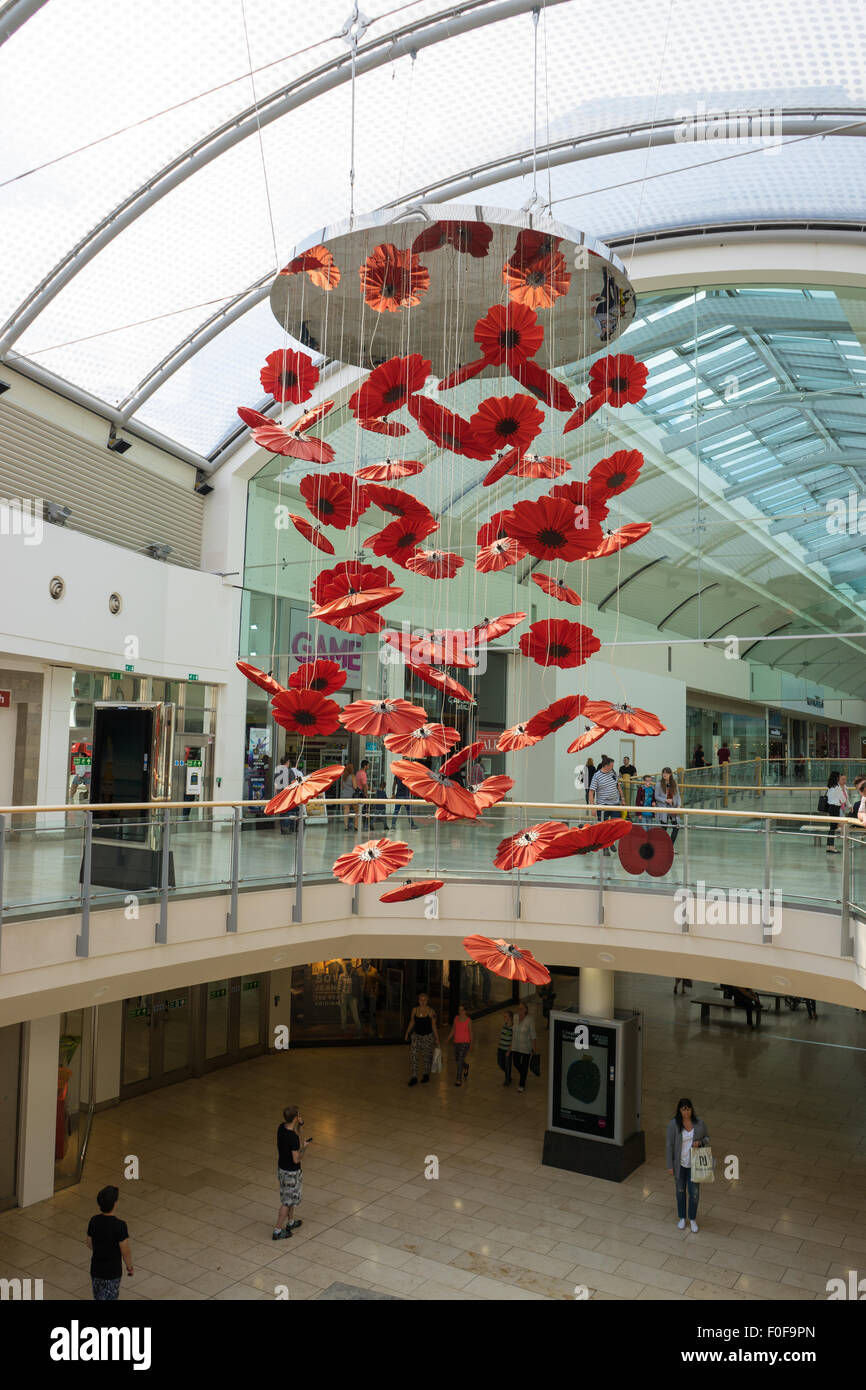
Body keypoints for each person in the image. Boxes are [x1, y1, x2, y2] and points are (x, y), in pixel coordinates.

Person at [665, 1098, 710, 1233]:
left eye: (688, 1109)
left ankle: (692, 1219)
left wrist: (699, 1143)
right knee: (680, 1191)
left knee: (694, 1193)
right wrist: (669, 1165)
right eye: (684, 1109)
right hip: (680, 1165)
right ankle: (682, 1218)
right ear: (679, 1110)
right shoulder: (673, 1125)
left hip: (694, 1164)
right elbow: (669, 1145)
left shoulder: (700, 1123)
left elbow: (707, 1138)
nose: (686, 1112)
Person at [86, 1185, 133, 1299]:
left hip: (96, 1269)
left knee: (98, 1296)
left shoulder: (94, 1220)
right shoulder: (120, 1225)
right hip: (112, 1271)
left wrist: (100, 1249)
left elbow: (88, 1242)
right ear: (115, 1203)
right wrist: (129, 1267)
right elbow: (125, 1251)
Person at [273, 1105, 310, 1239]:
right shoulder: (292, 1138)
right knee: (287, 1202)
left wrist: (300, 1124)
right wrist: (304, 1148)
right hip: (291, 1173)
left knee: (291, 1197)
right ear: (295, 1117)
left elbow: (295, 1134)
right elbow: (296, 1159)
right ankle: (277, 1231)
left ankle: (291, 1222)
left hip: (282, 1168)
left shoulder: (281, 1127)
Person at [588, 755, 623, 852]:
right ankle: (605, 847)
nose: (613, 767)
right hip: (603, 805)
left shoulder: (612, 773)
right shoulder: (597, 776)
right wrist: (593, 807)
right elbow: (591, 792)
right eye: (612, 765)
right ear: (606, 766)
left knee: (615, 825)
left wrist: (622, 798)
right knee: (604, 827)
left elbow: (618, 786)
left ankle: (611, 842)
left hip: (615, 804)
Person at [404, 991, 439, 1086]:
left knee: (426, 1057)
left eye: (424, 1000)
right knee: (413, 1056)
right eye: (420, 1000)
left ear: (427, 1001)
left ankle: (426, 1074)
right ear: (418, 1001)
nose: (422, 1001)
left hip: (427, 1037)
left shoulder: (431, 1012)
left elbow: (434, 1026)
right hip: (416, 1036)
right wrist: (407, 1033)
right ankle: (414, 1077)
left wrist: (437, 1039)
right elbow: (412, 1022)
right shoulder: (414, 1010)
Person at [507, 1001, 537, 1092]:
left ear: (525, 1010)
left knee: (524, 1066)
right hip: (516, 1046)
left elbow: (533, 1035)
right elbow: (512, 1032)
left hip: (526, 1047)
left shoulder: (530, 1019)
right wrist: (510, 1046)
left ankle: (521, 1084)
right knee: (516, 1063)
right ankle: (523, 1074)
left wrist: (534, 1048)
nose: (519, 1010)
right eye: (518, 1008)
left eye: (521, 1008)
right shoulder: (515, 1017)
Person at [447, 1002, 472, 1086]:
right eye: (459, 1010)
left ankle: (458, 1079)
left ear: (465, 1011)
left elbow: (471, 1033)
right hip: (456, 1042)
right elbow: (453, 1029)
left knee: (460, 1060)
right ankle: (466, 1066)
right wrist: (449, 1038)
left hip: (465, 1043)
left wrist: (472, 1044)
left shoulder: (468, 1021)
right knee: (458, 1060)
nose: (460, 1012)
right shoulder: (456, 1018)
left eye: (462, 1010)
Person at [655, 767, 682, 847]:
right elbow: (656, 797)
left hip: (673, 808)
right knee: (664, 828)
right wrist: (665, 800)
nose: (664, 774)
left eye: (666, 773)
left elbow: (678, 795)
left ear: (670, 774)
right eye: (663, 772)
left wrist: (679, 806)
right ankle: (662, 846)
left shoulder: (674, 783)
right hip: (664, 808)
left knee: (676, 826)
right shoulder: (658, 784)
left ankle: (670, 845)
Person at [825, 770, 849, 854]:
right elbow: (843, 799)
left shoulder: (830, 787)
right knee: (833, 828)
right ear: (836, 778)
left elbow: (828, 797)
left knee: (832, 828)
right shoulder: (837, 787)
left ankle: (829, 846)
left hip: (831, 808)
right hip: (835, 808)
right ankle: (831, 847)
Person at [497, 1009, 514, 1086]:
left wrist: (509, 1051)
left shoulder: (513, 1028)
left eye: (506, 1017)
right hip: (501, 1048)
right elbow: (501, 1035)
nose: (504, 1018)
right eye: (504, 1017)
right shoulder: (504, 1025)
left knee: (507, 1064)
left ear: (510, 1017)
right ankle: (508, 1074)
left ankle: (507, 1080)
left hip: (507, 1049)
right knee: (500, 1063)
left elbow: (513, 1040)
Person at [341, 762, 358, 831]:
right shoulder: (352, 776)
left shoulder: (343, 777)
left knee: (346, 811)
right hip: (352, 795)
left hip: (345, 795)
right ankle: (356, 826)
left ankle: (346, 826)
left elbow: (342, 787)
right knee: (357, 811)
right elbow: (355, 786)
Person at [355, 759, 370, 830]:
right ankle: (365, 826)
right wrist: (366, 794)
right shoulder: (363, 774)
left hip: (358, 792)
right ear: (365, 766)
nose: (368, 767)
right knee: (365, 810)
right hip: (362, 794)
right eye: (368, 765)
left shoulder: (358, 773)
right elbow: (364, 785)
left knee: (358, 810)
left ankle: (356, 825)